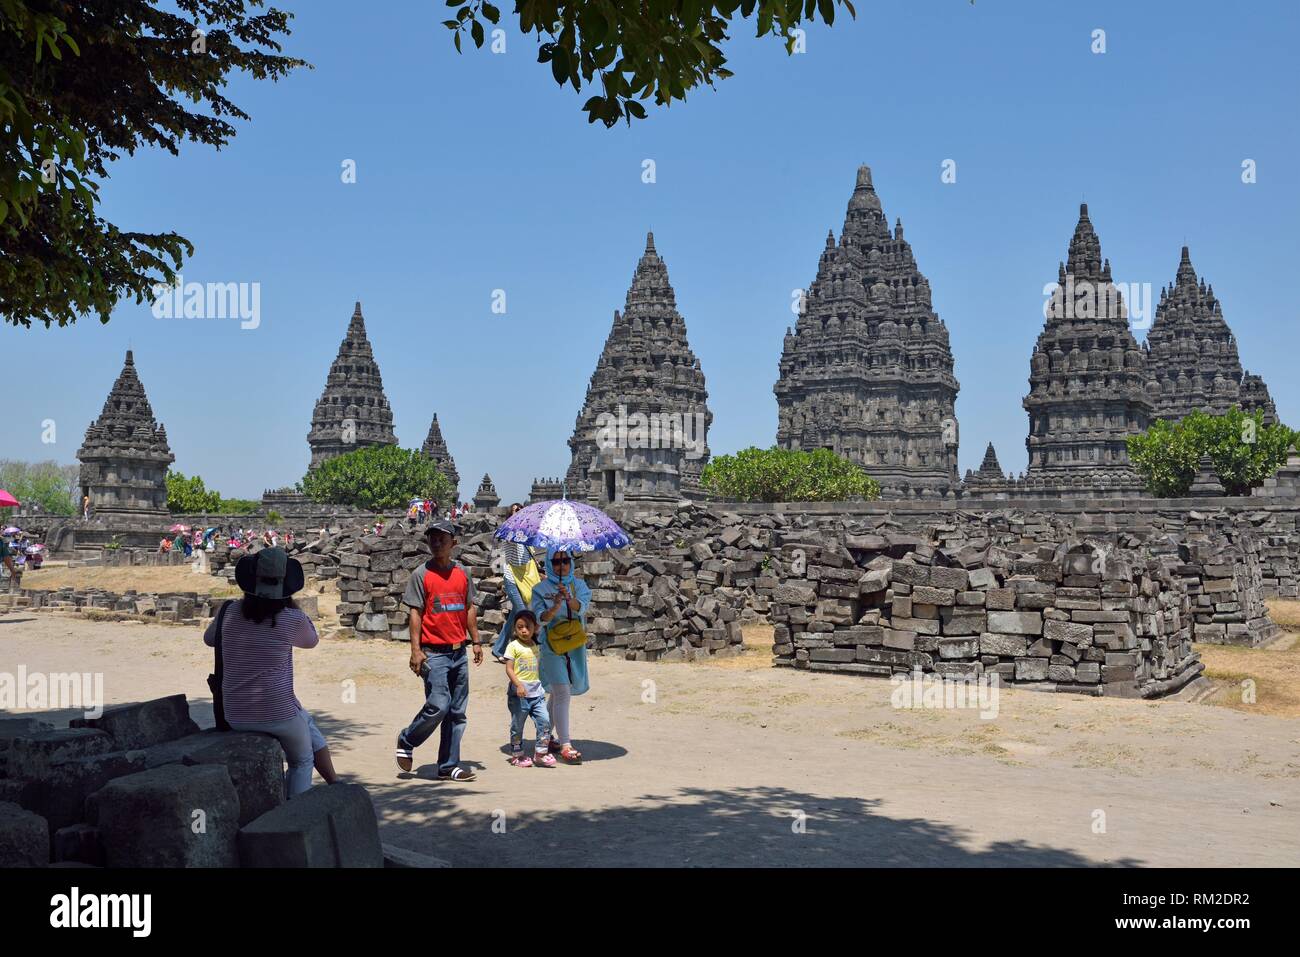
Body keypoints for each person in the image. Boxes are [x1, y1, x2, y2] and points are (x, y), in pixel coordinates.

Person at [203, 548, 337, 797]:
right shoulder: (292, 619)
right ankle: (294, 811)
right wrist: (291, 605)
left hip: (235, 712)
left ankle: (335, 783)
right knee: (301, 761)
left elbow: (210, 639)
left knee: (306, 722)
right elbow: (312, 640)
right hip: (277, 711)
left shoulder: (228, 612)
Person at [395, 520, 482, 781]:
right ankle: (408, 738)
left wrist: (476, 641)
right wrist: (415, 650)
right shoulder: (421, 575)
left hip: (459, 651)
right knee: (438, 705)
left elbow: (469, 607)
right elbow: (415, 613)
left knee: (457, 712)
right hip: (434, 653)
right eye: (432, 538)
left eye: (442, 539)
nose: (436, 543)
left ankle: (448, 766)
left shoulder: (463, 573)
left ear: (454, 543)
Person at [530, 549, 591, 764]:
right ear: (549, 564)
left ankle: (544, 737)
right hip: (551, 646)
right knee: (563, 692)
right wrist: (556, 605)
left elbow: (581, 608)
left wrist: (569, 598)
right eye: (556, 562)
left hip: (574, 645)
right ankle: (566, 744)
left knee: (557, 694)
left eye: (565, 561)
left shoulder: (579, 585)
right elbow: (540, 618)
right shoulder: (539, 589)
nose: (561, 565)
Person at [503, 611, 554, 768]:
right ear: (515, 629)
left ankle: (540, 753)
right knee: (517, 726)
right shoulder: (513, 646)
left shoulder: (536, 645)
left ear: (535, 627)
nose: (524, 630)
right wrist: (518, 685)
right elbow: (509, 669)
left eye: (527, 627)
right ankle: (517, 755)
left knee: (545, 721)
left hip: (537, 694)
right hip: (520, 696)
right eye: (520, 627)